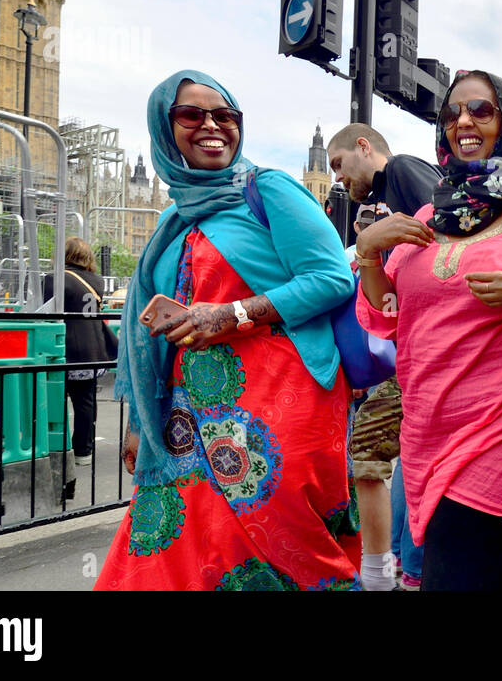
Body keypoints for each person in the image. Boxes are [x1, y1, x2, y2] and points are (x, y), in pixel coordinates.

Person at [96, 70, 361, 591]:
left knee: (277, 550)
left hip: (280, 411)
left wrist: (232, 314)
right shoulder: (173, 218)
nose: (212, 126)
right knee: (176, 551)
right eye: (191, 115)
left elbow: (331, 278)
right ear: (163, 127)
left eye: (225, 116)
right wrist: (138, 425)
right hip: (185, 423)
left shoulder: (269, 189)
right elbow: (153, 336)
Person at [354, 69, 502, 591]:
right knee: (486, 569)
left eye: (480, 110)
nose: (463, 120)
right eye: (452, 112)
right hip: (431, 426)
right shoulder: (424, 216)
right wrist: (371, 254)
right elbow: (386, 314)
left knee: (461, 559)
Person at [327, 122, 440, 591]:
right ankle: (398, 570)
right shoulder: (388, 192)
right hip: (416, 351)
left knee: (376, 453)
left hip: (423, 353)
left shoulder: (402, 170)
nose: (337, 177)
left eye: (338, 164)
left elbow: (440, 240)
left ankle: (386, 574)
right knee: (397, 457)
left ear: (363, 147)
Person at [43, 237, 116, 467]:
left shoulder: (55, 279)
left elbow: (44, 311)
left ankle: (54, 447)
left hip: (63, 347)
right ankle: (84, 450)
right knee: (85, 402)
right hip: (92, 349)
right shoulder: (97, 280)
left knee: (53, 399)